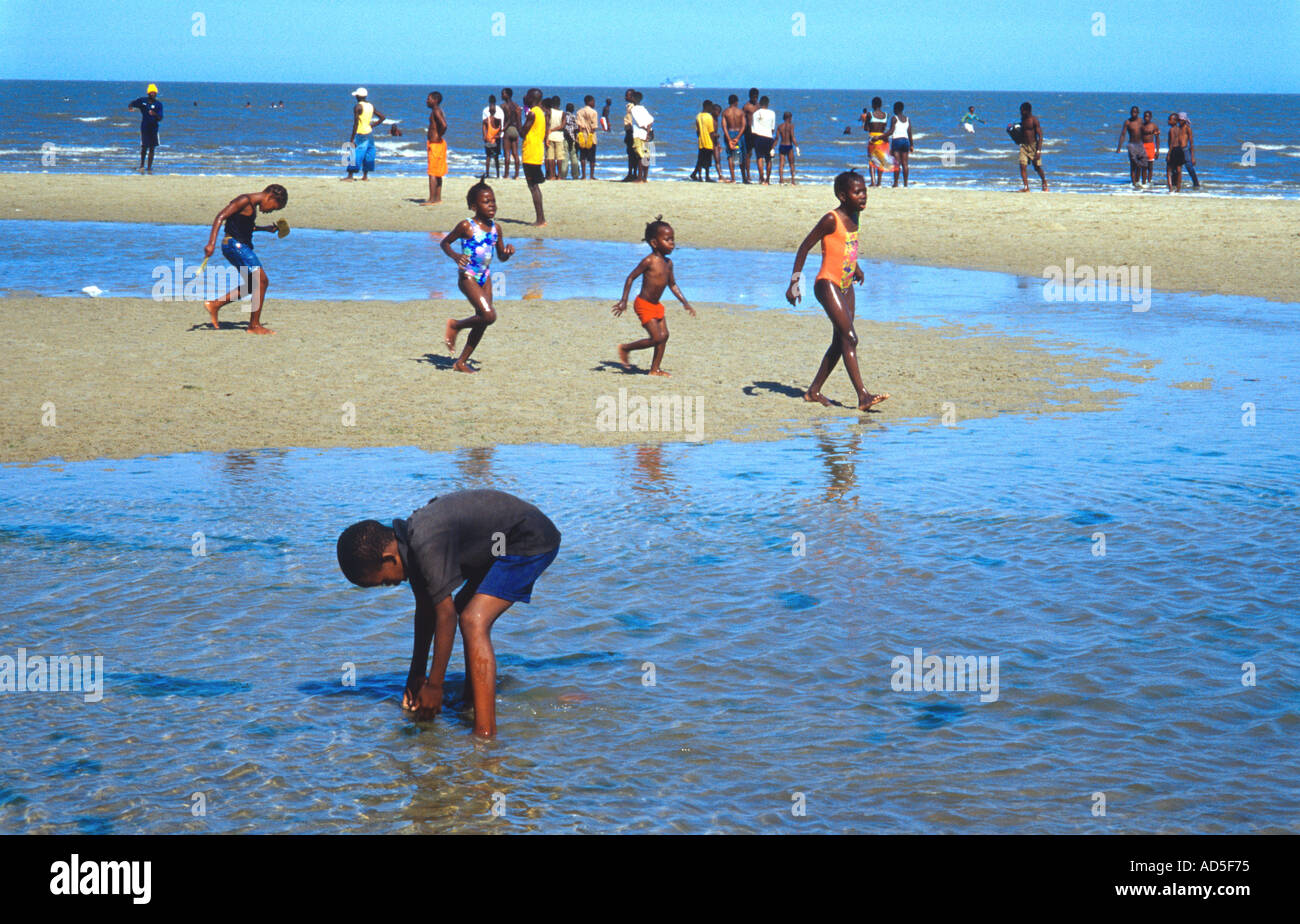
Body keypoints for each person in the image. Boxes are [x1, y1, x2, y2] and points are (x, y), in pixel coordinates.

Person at [335, 489, 562, 738]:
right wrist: (417, 676)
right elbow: (426, 612)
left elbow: (446, 616)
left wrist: (435, 686)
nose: (389, 585)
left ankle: (485, 737)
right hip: (497, 544)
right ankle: (470, 704)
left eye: (383, 582)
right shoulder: (410, 546)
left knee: (473, 620)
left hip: (528, 538)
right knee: (466, 608)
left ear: (388, 559)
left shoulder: (424, 543)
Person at [784, 171, 889, 411]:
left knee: (840, 341)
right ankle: (863, 396)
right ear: (843, 195)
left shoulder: (856, 215)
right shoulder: (831, 219)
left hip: (846, 284)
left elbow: (845, 247)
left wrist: (856, 267)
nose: (863, 196)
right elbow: (804, 248)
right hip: (827, 283)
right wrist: (794, 283)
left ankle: (813, 391)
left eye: (865, 191)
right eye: (857, 192)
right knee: (851, 338)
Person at [440, 181, 515, 372]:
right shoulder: (467, 226)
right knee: (489, 314)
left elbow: (500, 257)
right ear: (474, 206)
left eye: (493, 201)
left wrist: (507, 253)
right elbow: (445, 243)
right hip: (468, 276)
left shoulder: (496, 228)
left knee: (484, 320)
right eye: (486, 202)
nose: (492, 205)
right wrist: (456, 256)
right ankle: (455, 325)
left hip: (486, 276)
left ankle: (461, 362)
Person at [201, 184, 288, 335]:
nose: (270, 211)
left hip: (238, 246)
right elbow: (220, 217)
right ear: (270, 197)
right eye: (273, 207)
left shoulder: (251, 207)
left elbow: (246, 226)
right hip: (235, 245)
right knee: (262, 281)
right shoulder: (244, 200)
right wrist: (211, 243)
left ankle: (215, 305)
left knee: (252, 285)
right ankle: (254, 326)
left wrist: (265, 229)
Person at [613, 217, 696, 375]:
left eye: (672, 239)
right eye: (667, 239)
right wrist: (624, 300)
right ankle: (625, 348)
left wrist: (685, 302)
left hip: (657, 306)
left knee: (664, 336)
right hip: (643, 304)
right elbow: (630, 278)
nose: (672, 243)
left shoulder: (669, 263)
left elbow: (672, 284)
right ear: (654, 243)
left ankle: (654, 369)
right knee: (657, 337)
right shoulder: (649, 261)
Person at [520, 88, 548, 225]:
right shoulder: (539, 111)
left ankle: (540, 219)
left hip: (530, 152)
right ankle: (540, 218)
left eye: (528, 96)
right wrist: (525, 105)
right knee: (534, 186)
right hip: (536, 151)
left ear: (532, 98)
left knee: (533, 186)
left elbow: (522, 132)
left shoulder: (532, 114)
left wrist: (516, 116)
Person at [343, 88, 384, 181]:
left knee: (355, 154)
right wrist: (372, 125)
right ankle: (365, 176)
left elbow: (356, 123)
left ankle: (350, 176)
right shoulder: (370, 105)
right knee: (369, 154)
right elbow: (382, 117)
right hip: (369, 133)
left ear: (357, 96)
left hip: (361, 133)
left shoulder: (358, 107)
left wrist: (352, 138)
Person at [126, 83, 163, 174]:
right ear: (148, 93)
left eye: (155, 92)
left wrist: (154, 114)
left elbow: (161, 118)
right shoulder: (143, 101)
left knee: (152, 148)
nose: (153, 94)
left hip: (154, 128)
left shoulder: (158, 104)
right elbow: (132, 103)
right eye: (151, 92)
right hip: (145, 127)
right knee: (144, 147)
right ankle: (142, 166)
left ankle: (149, 167)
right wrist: (130, 107)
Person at [422, 91, 447, 205]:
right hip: (438, 144)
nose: (427, 101)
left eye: (429, 99)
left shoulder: (436, 110)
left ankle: (432, 199)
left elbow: (444, 125)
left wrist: (438, 135)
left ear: (435, 100)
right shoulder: (437, 110)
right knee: (437, 172)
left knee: (432, 172)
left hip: (436, 144)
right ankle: (437, 198)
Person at [1016, 101, 1047, 192]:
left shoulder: (1034, 120)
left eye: (1022, 110)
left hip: (1033, 146)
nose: (1020, 112)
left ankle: (1044, 182)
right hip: (1024, 146)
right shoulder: (1022, 119)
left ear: (1026, 111)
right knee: (1022, 166)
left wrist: (1038, 151)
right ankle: (1026, 187)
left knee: (1037, 167)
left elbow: (1040, 136)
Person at [865, 97, 893, 187]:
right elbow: (884, 127)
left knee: (872, 161)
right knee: (881, 160)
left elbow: (866, 128)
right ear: (881, 105)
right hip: (882, 138)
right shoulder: (885, 115)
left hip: (873, 138)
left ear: (873, 105)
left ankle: (873, 182)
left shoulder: (869, 114)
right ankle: (879, 182)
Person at [1116, 105, 1146, 189]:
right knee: (1133, 164)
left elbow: (1145, 130)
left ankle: (1137, 181)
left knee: (1140, 164)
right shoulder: (1127, 122)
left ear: (1138, 113)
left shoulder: (1141, 121)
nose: (1134, 113)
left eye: (1135, 112)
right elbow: (1123, 134)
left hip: (1140, 144)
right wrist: (1119, 147)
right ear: (1130, 112)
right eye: (1132, 112)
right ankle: (1133, 183)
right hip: (1132, 145)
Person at [885, 101, 913, 187]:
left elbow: (891, 131)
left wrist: (882, 136)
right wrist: (912, 145)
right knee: (905, 163)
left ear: (896, 109)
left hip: (897, 141)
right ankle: (905, 184)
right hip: (905, 141)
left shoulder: (894, 118)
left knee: (897, 163)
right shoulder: (907, 119)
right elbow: (909, 133)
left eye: (894, 108)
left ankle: (896, 183)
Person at [751, 95, 777, 184]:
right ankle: (768, 179)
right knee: (768, 159)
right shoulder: (772, 113)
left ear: (760, 103)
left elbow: (753, 128)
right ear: (768, 104)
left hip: (758, 136)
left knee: (759, 157)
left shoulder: (755, 113)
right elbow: (773, 128)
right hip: (769, 137)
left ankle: (761, 176)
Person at [721, 94, 746, 183]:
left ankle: (733, 178)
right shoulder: (741, 112)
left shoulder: (725, 112)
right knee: (740, 155)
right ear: (736, 102)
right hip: (739, 134)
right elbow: (743, 126)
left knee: (730, 156)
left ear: (729, 102)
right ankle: (744, 178)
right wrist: (738, 138)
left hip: (730, 133)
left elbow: (724, 127)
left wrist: (729, 140)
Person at [629, 92, 654, 182]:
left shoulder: (634, 109)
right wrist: (649, 130)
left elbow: (639, 123)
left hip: (639, 134)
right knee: (646, 155)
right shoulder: (643, 108)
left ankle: (639, 178)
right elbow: (651, 120)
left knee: (640, 156)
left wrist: (646, 130)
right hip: (646, 134)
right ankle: (645, 177)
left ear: (634, 99)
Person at [689, 99, 715, 182]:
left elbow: (698, 131)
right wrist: (714, 142)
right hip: (708, 142)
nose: (712, 109)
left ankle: (698, 175)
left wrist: (700, 137)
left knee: (700, 160)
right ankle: (706, 176)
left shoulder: (698, 116)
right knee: (707, 162)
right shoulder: (709, 117)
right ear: (707, 107)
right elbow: (711, 131)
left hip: (701, 142)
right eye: (711, 107)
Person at [576, 95, 600, 179]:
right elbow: (594, 126)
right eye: (593, 101)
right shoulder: (594, 112)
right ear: (590, 102)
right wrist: (590, 135)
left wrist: (580, 135)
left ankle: (583, 175)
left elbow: (579, 126)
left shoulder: (579, 112)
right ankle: (592, 175)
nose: (594, 103)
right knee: (592, 157)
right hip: (591, 136)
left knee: (583, 156)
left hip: (582, 136)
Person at [500, 88, 522, 179]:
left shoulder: (503, 106)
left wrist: (503, 128)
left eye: (503, 94)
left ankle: (506, 174)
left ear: (507, 95)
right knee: (515, 153)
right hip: (515, 129)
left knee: (507, 153)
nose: (501, 95)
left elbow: (506, 118)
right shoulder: (516, 106)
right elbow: (519, 119)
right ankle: (517, 175)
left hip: (508, 130)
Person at [741, 87, 760, 184]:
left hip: (757, 131)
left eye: (756, 97)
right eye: (753, 97)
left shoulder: (759, 106)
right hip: (748, 132)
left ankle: (761, 175)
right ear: (750, 96)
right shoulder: (746, 106)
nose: (755, 99)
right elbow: (742, 119)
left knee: (759, 154)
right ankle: (747, 175)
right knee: (748, 154)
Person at [482, 94, 504, 178]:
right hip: (495, 141)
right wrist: (497, 136)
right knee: (496, 158)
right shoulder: (498, 120)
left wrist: (485, 136)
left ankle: (487, 174)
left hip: (488, 140)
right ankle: (498, 174)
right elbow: (500, 129)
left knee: (488, 157)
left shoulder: (486, 120)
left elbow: (483, 128)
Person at [1178, 112, 1200, 189]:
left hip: (1185, 150)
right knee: (1176, 169)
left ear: (1184, 120)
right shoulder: (1178, 128)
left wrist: (1193, 157)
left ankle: (1196, 183)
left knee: (1189, 167)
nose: (1179, 121)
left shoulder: (1187, 128)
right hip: (1178, 150)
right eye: (1179, 120)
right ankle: (1176, 184)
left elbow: (1191, 143)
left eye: (1181, 120)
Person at [1166, 112, 1187, 192]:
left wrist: (1169, 153)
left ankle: (1170, 188)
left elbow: (1172, 142)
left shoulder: (1171, 130)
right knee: (1179, 170)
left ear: (1175, 121)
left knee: (1169, 170)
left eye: (1170, 120)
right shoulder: (1179, 129)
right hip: (1179, 149)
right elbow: (1180, 141)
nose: (1168, 121)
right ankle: (1178, 188)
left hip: (1173, 150)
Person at [621, 88, 639, 181]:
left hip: (632, 131)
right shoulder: (630, 106)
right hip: (630, 131)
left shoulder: (632, 107)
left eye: (627, 95)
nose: (625, 97)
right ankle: (633, 173)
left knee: (632, 154)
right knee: (632, 154)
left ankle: (632, 174)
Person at [545, 96, 565, 180]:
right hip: (559, 136)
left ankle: (552, 175)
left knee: (550, 157)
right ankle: (559, 176)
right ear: (559, 103)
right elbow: (562, 126)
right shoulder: (563, 113)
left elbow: (546, 125)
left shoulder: (549, 111)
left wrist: (547, 134)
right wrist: (554, 129)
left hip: (550, 136)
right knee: (559, 158)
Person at [776, 111, 797, 185]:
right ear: (790, 118)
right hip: (789, 145)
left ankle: (781, 179)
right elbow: (792, 136)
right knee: (791, 163)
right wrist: (797, 146)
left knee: (781, 163)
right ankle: (793, 180)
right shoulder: (791, 126)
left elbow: (777, 138)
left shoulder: (780, 126)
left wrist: (773, 147)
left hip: (782, 145)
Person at [1140, 110, 1160, 186]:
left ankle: (1149, 181)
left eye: (1148, 116)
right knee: (1143, 166)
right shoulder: (1141, 126)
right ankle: (1143, 182)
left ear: (1151, 117)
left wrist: (1157, 150)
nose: (1146, 118)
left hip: (1151, 146)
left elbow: (1157, 138)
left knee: (1150, 166)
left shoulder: (1154, 126)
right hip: (1143, 146)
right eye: (1145, 116)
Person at [562, 102, 581, 180]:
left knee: (564, 156)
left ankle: (563, 175)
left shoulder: (563, 116)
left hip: (564, 138)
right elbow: (576, 129)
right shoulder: (573, 117)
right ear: (572, 109)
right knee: (574, 157)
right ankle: (575, 175)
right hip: (572, 138)